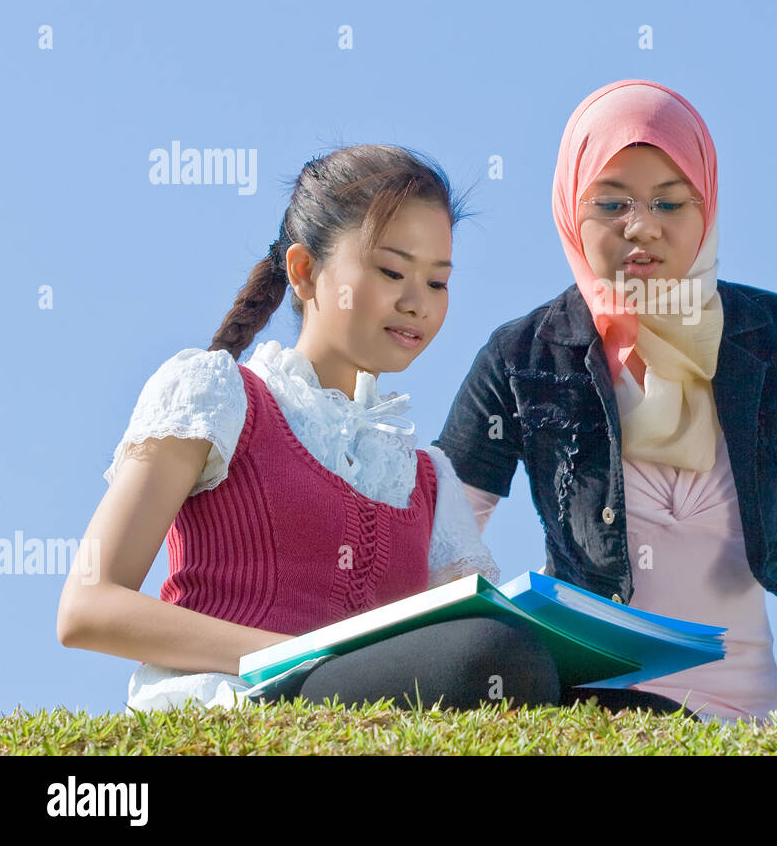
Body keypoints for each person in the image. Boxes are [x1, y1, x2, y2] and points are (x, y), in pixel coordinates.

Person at [433, 80, 777, 723]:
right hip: (592, 712)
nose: (642, 227)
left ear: (706, 203)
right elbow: (442, 552)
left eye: (669, 201)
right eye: (611, 203)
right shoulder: (523, 356)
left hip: (745, 719)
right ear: (569, 210)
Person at [57, 145, 562, 714]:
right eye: (392, 271)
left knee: (636, 706)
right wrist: (301, 654)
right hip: (238, 699)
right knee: (492, 654)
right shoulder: (218, 394)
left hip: (361, 707)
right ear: (304, 271)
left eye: (438, 282)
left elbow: (453, 645)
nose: (417, 303)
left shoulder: (427, 478)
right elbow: (88, 608)